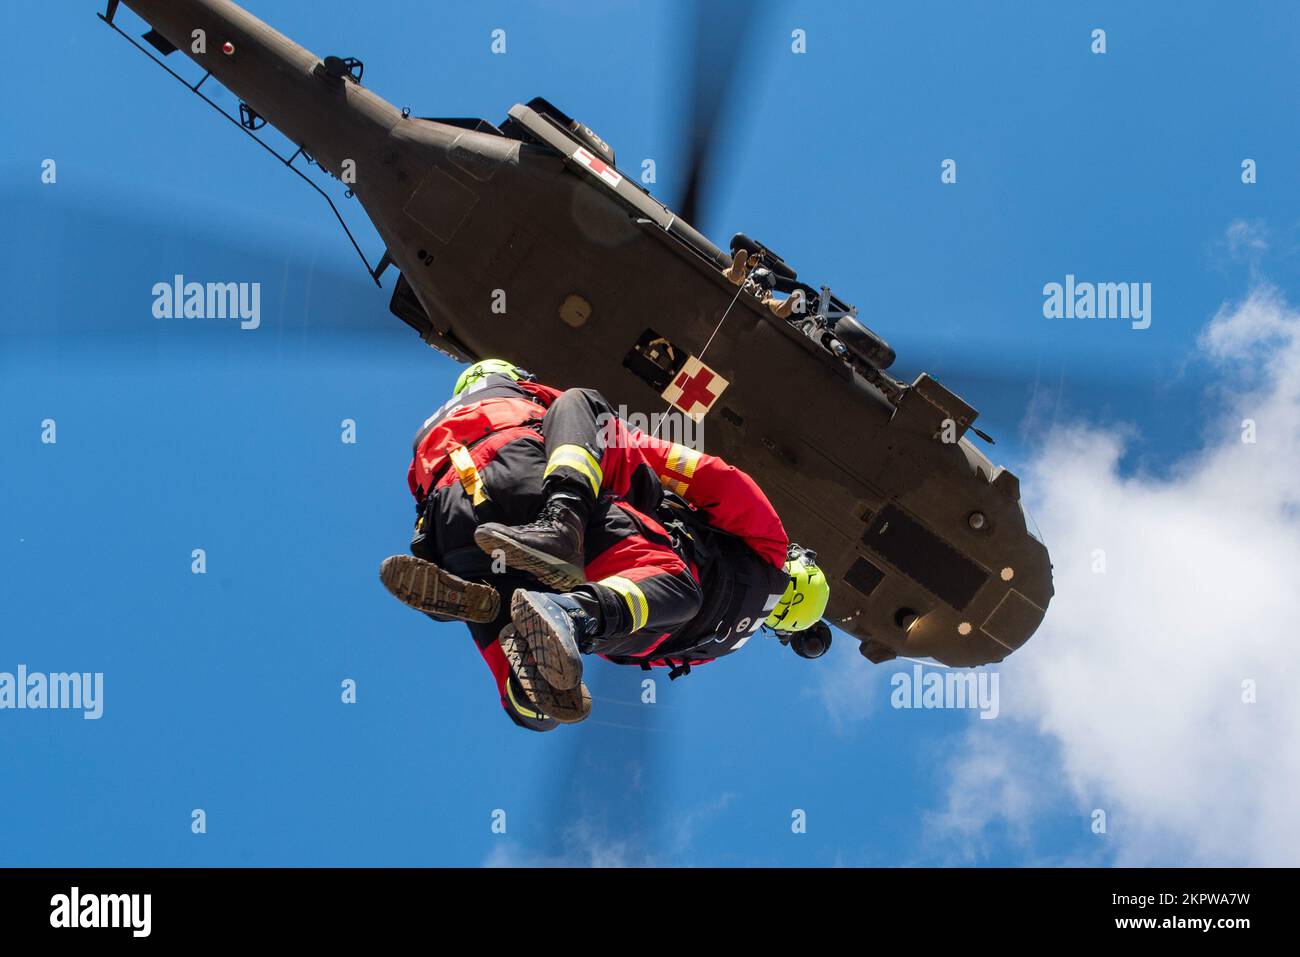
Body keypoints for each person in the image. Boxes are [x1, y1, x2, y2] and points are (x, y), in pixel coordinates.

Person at [380, 359, 830, 731]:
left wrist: (643, 465)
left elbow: (716, 480)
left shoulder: (772, 549)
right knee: (641, 599)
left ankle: (559, 533)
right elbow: (641, 655)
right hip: (623, 595)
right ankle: (531, 688)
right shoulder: (721, 649)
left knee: (585, 406)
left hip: (450, 515)